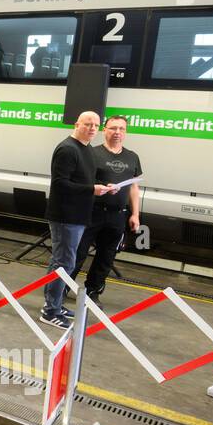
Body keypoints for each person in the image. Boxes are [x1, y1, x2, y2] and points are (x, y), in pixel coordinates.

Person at [42, 111, 114, 328]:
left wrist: (103, 187)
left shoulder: (87, 149)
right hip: (65, 216)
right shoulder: (68, 149)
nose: (92, 128)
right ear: (77, 124)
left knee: (63, 261)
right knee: (64, 262)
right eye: (88, 124)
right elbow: (60, 184)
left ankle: (53, 303)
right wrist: (93, 189)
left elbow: (85, 179)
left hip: (79, 215)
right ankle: (50, 310)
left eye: (96, 125)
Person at [73, 115, 143, 301]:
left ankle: (92, 292)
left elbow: (134, 187)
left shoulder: (132, 157)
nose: (117, 132)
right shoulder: (91, 153)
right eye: (113, 128)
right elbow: (82, 182)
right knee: (78, 253)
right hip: (91, 212)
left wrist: (135, 214)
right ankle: (63, 287)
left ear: (126, 132)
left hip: (117, 216)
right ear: (105, 130)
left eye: (121, 129)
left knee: (106, 257)